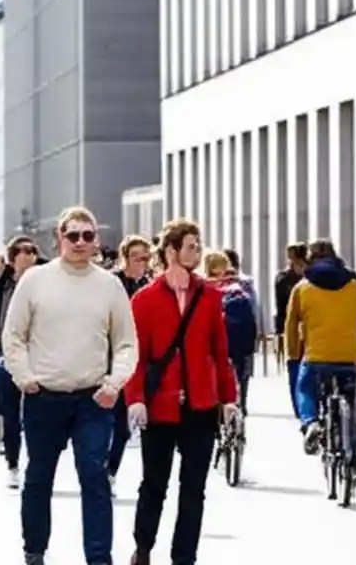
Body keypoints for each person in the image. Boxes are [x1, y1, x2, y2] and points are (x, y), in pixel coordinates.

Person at [1, 206, 138, 565]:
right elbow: (13, 335)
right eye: (72, 235)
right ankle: (34, 552)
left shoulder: (109, 286)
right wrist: (25, 377)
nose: (80, 242)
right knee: (38, 478)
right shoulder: (35, 280)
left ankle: (98, 558)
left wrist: (114, 383)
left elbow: (126, 343)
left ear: (97, 241)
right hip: (43, 397)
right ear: (59, 237)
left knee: (94, 478)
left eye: (87, 235)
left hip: (92, 399)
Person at [123, 218, 241, 565]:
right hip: (159, 407)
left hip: (201, 406)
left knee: (194, 489)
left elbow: (221, 353)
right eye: (190, 245)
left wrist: (229, 399)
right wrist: (136, 399)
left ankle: (184, 557)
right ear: (171, 251)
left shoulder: (208, 297)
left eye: (198, 244)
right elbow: (137, 357)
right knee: (154, 485)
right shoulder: (144, 300)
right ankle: (143, 547)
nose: (197, 251)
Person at [285, 238, 356, 455]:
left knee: (304, 387)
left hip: (316, 358)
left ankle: (311, 422)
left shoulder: (302, 288)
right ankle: (352, 445)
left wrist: (293, 355)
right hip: (348, 357)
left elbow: (291, 324)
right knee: (351, 397)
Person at [0, 235, 44, 488]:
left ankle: (36, 465)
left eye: (32, 250)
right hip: (8, 357)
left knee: (37, 416)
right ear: (12, 258)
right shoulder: (2, 286)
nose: (28, 255)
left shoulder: (48, 284)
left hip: (40, 358)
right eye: (22, 251)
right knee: (10, 413)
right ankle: (12, 463)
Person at [107, 234, 153, 492]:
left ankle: (110, 471)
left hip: (139, 363)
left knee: (124, 425)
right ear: (125, 258)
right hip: (111, 362)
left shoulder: (149, 285)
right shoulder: (113, 283)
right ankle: (102, 469)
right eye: (137, 258)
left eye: (146, 258)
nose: (142, 263)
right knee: (109, 421)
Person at [207, 250, 259, 414]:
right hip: (241, 346)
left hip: (216, 349)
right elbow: (255, 312)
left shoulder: (203, 289)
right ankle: (240, 411)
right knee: (240, 381)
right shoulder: (242, 287)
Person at [274, 243, 308, 417]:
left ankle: (302, 406)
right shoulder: (283, 279)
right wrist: (280, 331)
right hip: (293, 329)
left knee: (298, 367)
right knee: (294, 367)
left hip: (305, 329)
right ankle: (299, 408)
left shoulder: (308, 279)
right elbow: (281, 309)